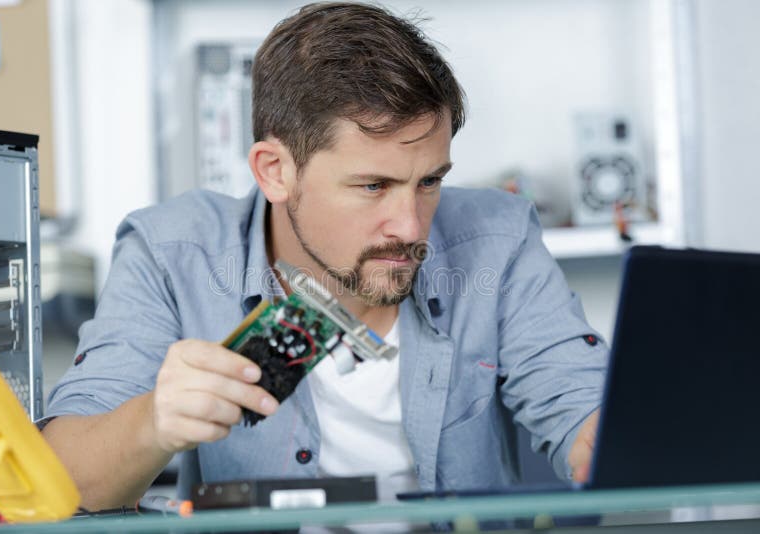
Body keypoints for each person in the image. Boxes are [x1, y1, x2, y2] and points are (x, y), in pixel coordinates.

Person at [41, 1, 606, 511]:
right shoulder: (171, 255)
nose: (411, 226)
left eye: (429, 181)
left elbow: (582, 409)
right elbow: (61, 478)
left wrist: (605, 440)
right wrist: (154, 422)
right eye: (372, 187)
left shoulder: (498, 238)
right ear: (275, 171)